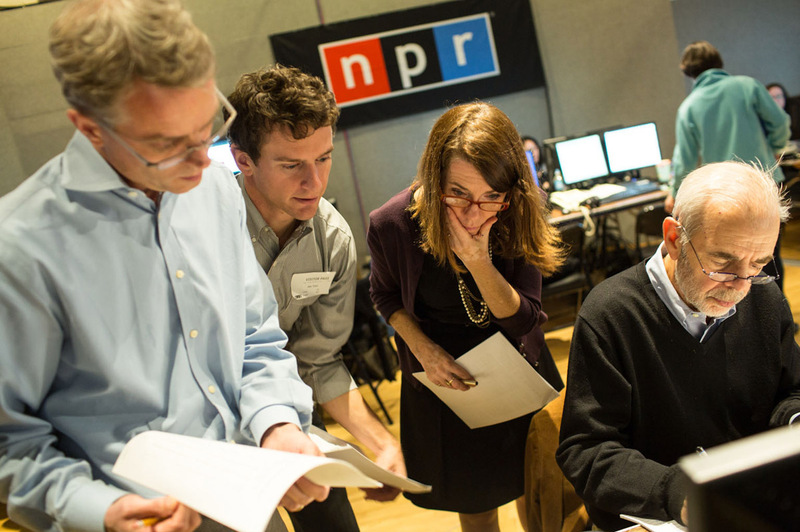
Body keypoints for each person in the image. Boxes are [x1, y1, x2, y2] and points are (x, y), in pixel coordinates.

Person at [0, 2, 330, 531]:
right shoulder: (21, 248)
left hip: (248, 507)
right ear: (89, 128)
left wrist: (276, 425)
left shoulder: (215, 189)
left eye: (208, 128)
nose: (202, 161)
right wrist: (98, 510)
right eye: (166, 145)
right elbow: (11, 445)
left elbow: (254, 338)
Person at [556, 161, 800, 531]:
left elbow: (790, 391)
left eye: (758, 265)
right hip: (657, 516)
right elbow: (587, 452)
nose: (741, 287)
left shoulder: (762, 297)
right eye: (723, 263)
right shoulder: (611, 313)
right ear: (673, 237)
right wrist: (679, 493)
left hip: (751, 503)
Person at [368, 102, 565, 532]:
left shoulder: (521, 210)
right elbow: (383, 295)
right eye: (457, 193)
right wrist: (423, 350)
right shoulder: (392, 224)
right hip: (444, 380)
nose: (475, 213)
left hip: (517, 368)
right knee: (476, 507)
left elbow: (524, 319)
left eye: (491, 196)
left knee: (542, 492)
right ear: (433, 177)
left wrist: (479, 262)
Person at [225, 65, 406, 532]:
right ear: (242, 159)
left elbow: (317, 360)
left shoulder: (333, 240)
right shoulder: (204, 226)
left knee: (336, 522)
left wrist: (377, 442)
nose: (314, 182)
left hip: (283, 414)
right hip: (209, 425)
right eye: (291, 165)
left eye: (323, 158)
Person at [666, 41, 790, 214]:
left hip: (723, 191)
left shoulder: (688, 108)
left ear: (689, 72)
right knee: (770, 238)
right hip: (763, 180)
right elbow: (780, 121)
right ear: (718, 62)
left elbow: (685, 159)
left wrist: (674, 192)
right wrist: (776, 148)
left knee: (732, 240)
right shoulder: (748, 86)